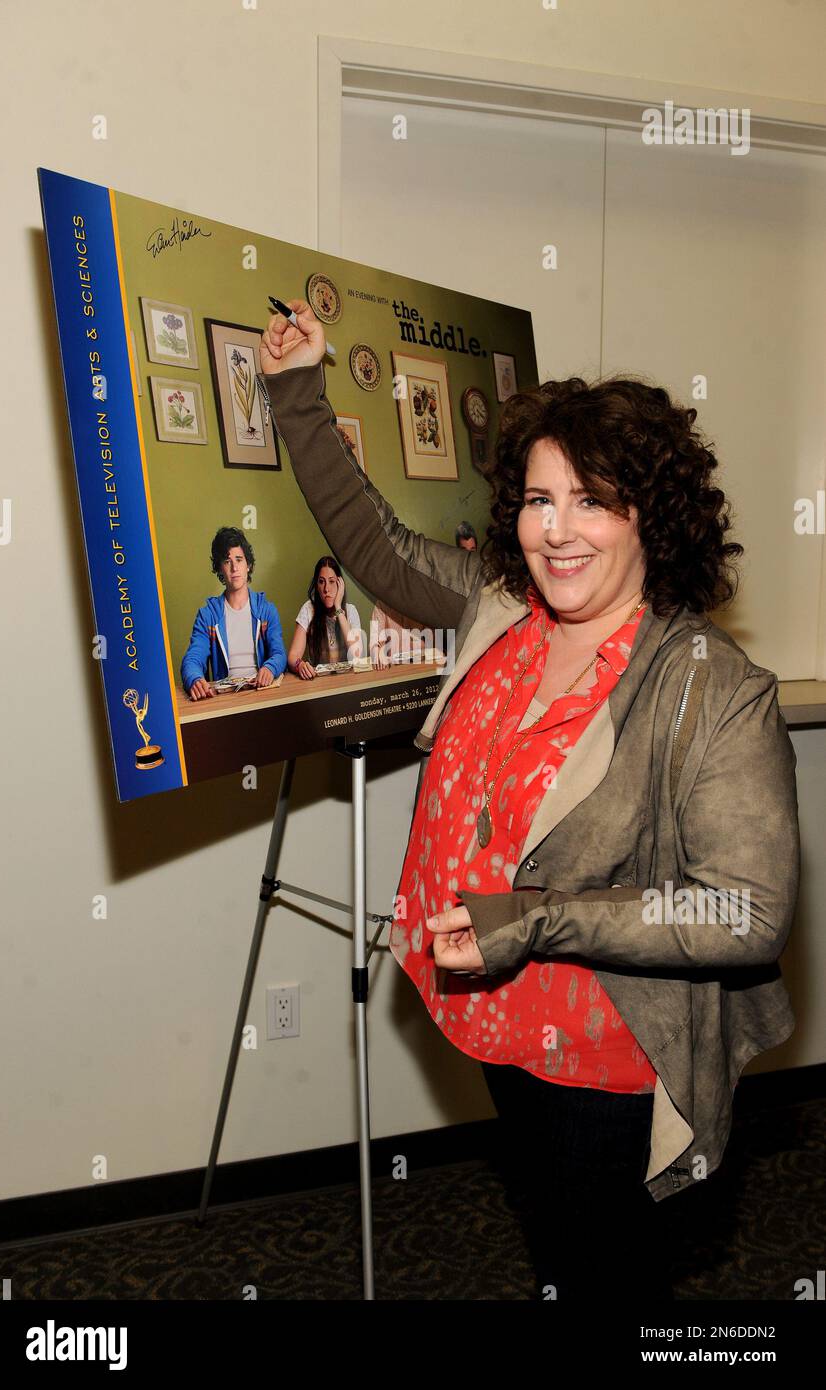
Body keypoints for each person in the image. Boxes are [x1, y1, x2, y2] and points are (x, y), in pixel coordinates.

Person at [255, 300, 800, 1302]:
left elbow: (741, 910)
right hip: (493, 1017)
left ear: (651, 516)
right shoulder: (504, 608)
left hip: (607, 1055)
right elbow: (372, 544)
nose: (556, 532)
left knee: (606, 1272)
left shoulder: (710, 688)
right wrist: (298, 392)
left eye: (590, 501)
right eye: (538, 499)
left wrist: (533, 919)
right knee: (556, 1243)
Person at [180, 526, 286, 700]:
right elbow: (192, 659)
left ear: (248, 565)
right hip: (226, 700)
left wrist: (269, 668)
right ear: (220, 568)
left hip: (262, 693)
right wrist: (195, 678)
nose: (234, 568)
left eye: (239, 559)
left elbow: (279, 653)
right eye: (227, 561)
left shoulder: (267, 610)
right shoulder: (207, 616)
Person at [287, 555, 363, 679]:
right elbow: (293, 656)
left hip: (348, 681)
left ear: (340, 584)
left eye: (332, 581)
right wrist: (300, 665)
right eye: (321, 582)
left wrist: (338, 608)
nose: (326, 589)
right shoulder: (308, 609)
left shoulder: (351, 611)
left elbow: (357, 656)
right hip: (318, 682)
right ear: (317, 585)